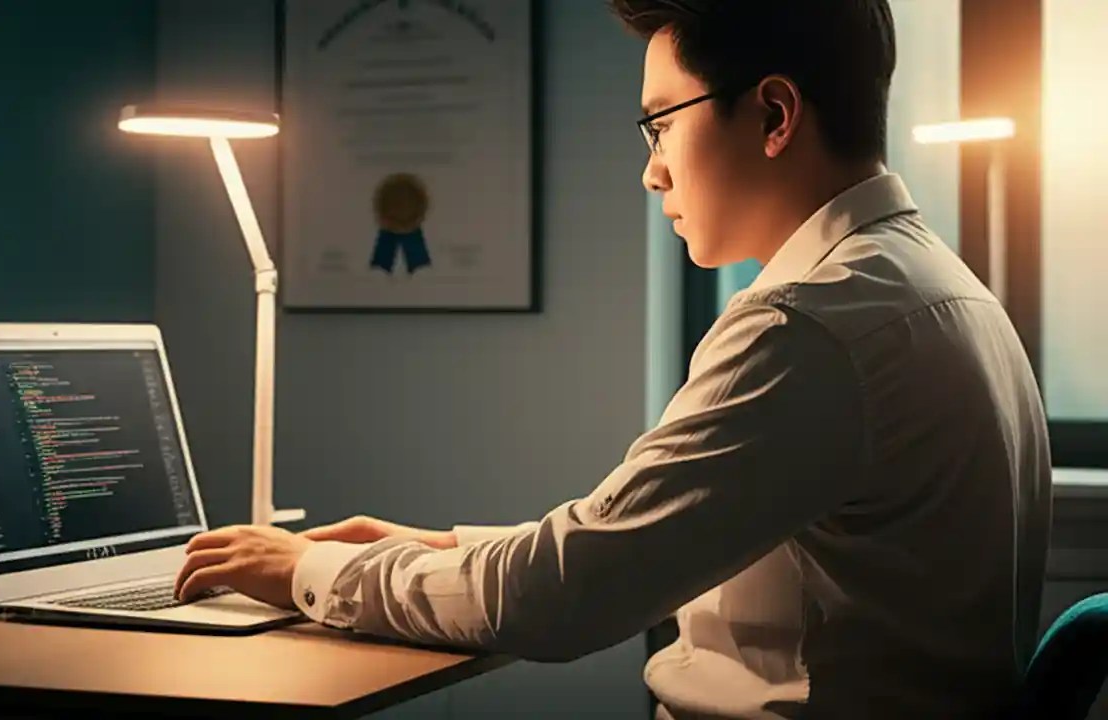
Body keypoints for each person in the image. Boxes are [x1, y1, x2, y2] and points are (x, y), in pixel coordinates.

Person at [173, 1, 1052, 717]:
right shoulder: (942, 291)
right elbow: (621, 544)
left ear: (775, 115)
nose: (652, 173)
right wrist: (433, 547)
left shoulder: (806, 325)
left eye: (659, 126)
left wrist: (307, 571)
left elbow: (560, 597)